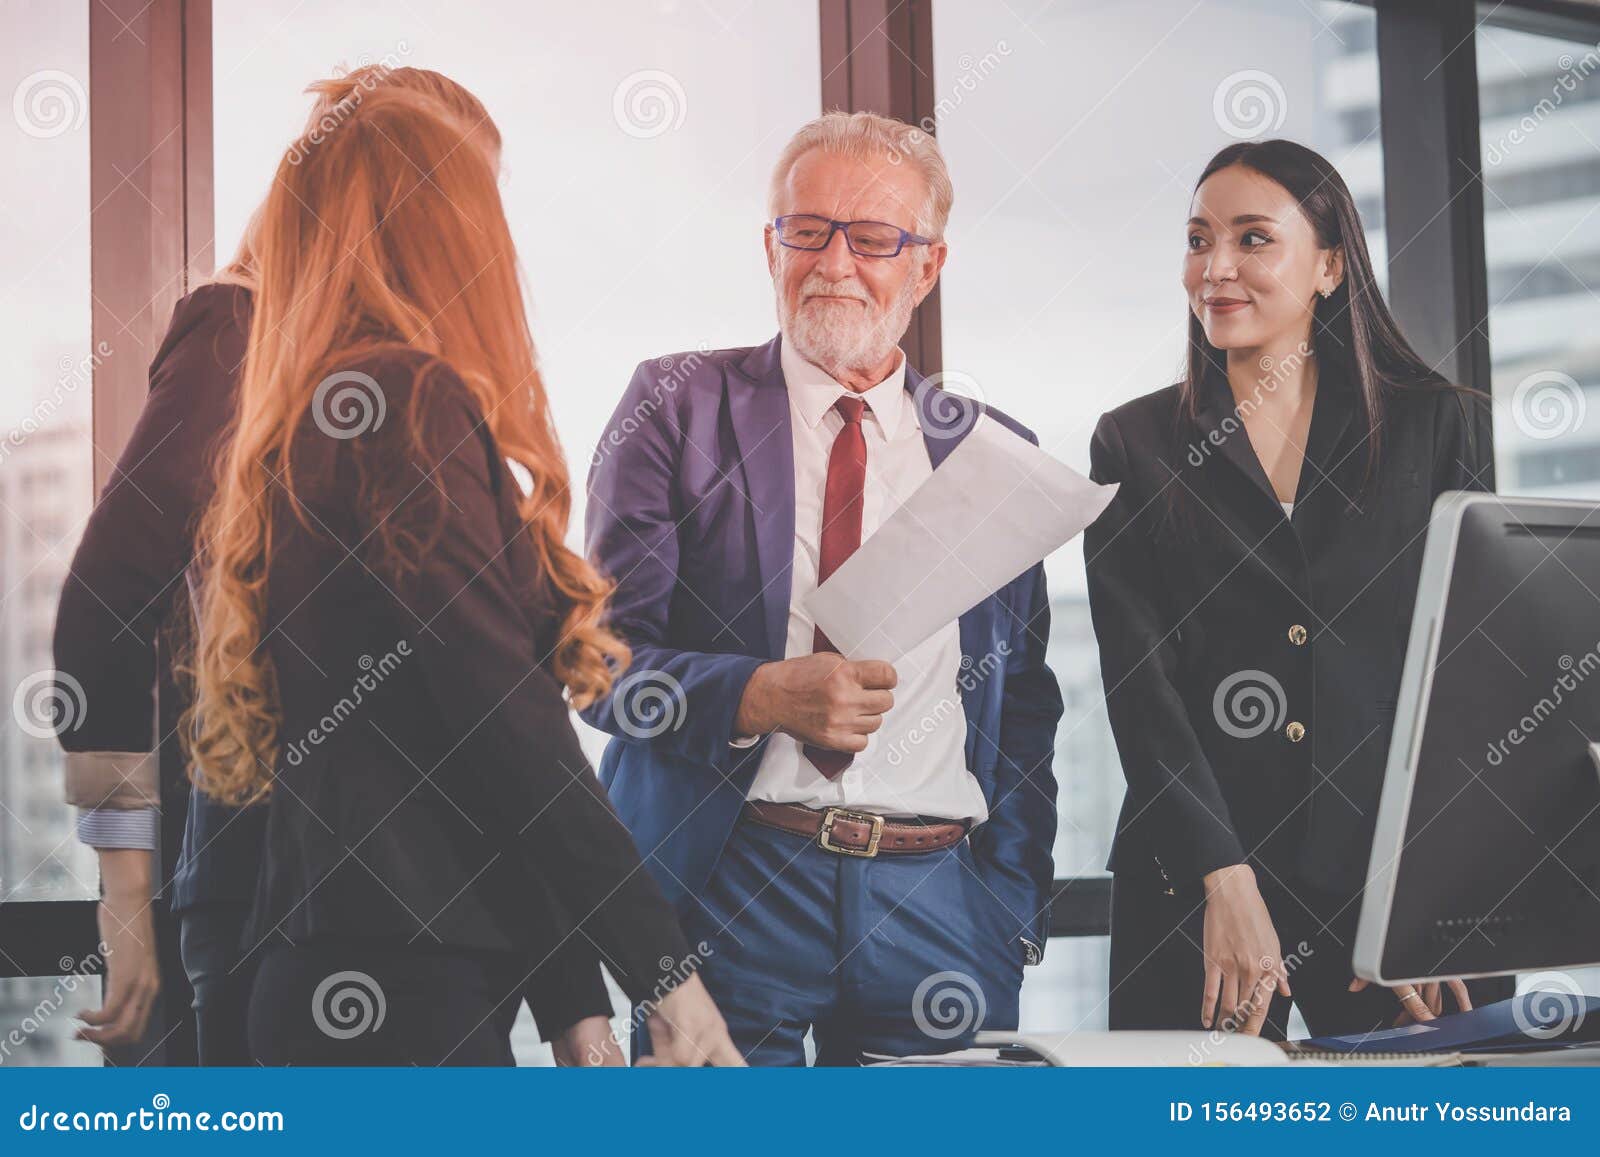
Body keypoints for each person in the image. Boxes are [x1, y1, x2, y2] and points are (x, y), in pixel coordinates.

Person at [55, 67, 631, 1067]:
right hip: (266, 888)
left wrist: (570, 990)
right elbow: (105, 600)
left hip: (406, 907)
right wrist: (124, 896)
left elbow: (481, 710)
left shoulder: (403, 390)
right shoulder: (247, 328)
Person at [170, 84, 735, 1066]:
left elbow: (449, 738)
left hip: (344, 981)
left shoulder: (319, 407)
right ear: (442, 226)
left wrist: (570, 998)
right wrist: (665, 975)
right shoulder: (407, 397)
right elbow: (503, 723)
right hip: (401, 1001)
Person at [582, 111, 1063, 1065]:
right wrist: (759, 693)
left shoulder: (992, 450)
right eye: (808, 230)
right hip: (732, 886)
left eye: (875, 237)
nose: (835, 262)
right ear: (770, 244)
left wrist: (1008, 906)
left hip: (939, 907)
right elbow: (598, 663)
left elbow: (1029, 707)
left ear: (926, 266)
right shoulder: (674, 405)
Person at [1086, 138, 1511, 1038]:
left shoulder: (1436, 426)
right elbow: (1140, 685)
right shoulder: (1136, 444)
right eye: (1199, 239)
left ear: (1327, 265)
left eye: (1252, 239)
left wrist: (1434, 895)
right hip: (1199, 888)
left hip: (1398, 886)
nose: (1217, 268)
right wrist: (1222, 876)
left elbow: (1476, 676)